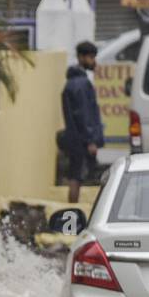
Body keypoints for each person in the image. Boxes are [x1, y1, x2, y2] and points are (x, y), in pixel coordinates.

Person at [61, 40, 105, 204]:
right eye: (91, 57)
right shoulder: (81, 84)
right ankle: (73, 215)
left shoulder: (72, 83)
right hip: (82, 141)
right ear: (81, 57)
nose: (93, 61)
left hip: (75, 139)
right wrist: (91, 140)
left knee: (76, 176)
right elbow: (84, 114)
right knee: (78, 178)